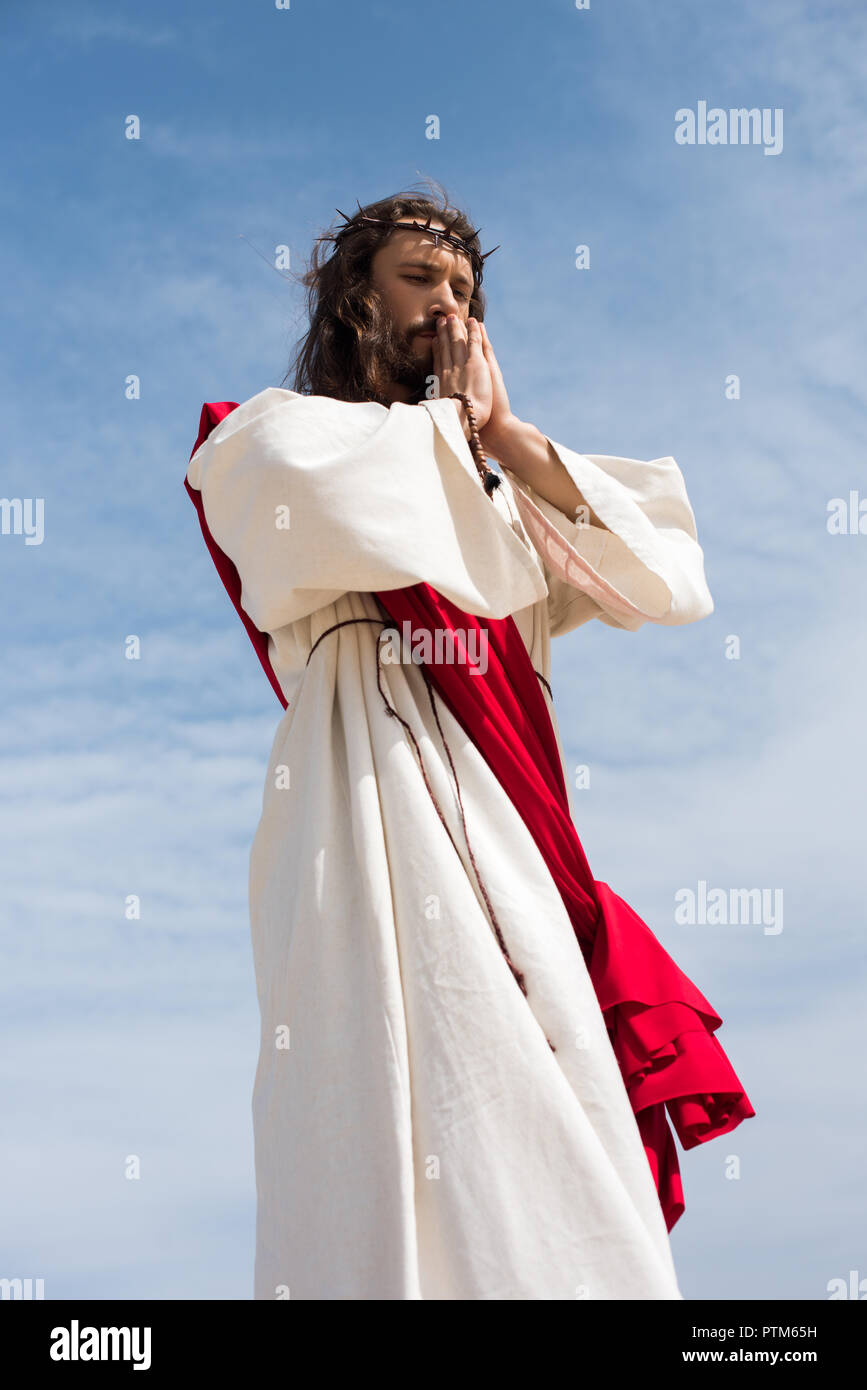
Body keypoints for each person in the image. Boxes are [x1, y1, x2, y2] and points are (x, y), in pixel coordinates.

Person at [184, 185, 754, 1301]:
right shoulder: (281, 434)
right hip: (364, 802)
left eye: (465, 290)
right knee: (378, 1084)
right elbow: (316, 504)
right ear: (356, 298)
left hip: (514, 838)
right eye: (419, 281)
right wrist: (454, 435)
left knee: (555, 1129)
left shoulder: (494, 486)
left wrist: (506, 436)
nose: (448, 307)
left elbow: (667, 580)